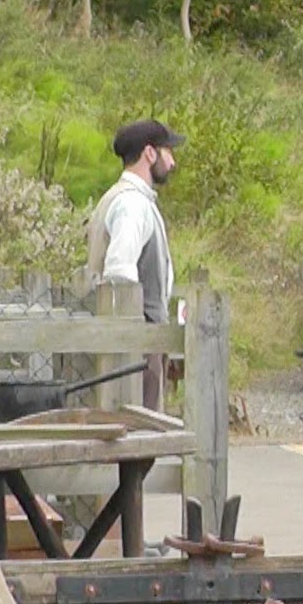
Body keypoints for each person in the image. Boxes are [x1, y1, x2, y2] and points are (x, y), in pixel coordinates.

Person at [86, 119, 183, 411]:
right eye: (168, 152)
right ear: (150, 154)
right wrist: (135, 338)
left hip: (133, 342)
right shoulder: (131, 204)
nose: (173, 162)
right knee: (139, 434)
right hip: (136, 345)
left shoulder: (123, 199)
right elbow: (120, 274)